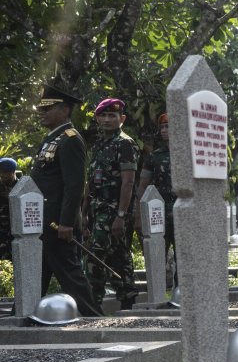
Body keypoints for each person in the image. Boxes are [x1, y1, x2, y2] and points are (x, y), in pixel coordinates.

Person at [29, 86, 104, 316]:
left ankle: (95, 319)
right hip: (44, 221)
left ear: (64, 109)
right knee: (35, 275)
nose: (42, 113)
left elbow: (74, 185)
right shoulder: (53, 138)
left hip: (58, 224)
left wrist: (67, 222)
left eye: (48, 108)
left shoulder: (70, 139)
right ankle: (22, 315)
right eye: (41, 108)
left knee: (71, 276)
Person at [85, 98, 138, 310]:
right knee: (118, 256)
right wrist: (83, 213)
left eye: (112, 116)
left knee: (95, 257)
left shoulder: (125, 143)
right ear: (97, 118)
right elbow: (90, 181)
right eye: (103, 116)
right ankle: (127, 300)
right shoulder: (99, 144)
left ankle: (92, 305)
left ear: (122, 119)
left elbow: (129, 182)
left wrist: (121, 215)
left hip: (115, 212)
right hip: (97, 210)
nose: (107, 119)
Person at [135, 113, 177, 289]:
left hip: (181, 215)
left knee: (184, 259)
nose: (165, 131)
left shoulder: (189, 153)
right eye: (162, 127)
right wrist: (139, 214)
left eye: (168, 126)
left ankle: (182, 297)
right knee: (157, 257)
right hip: (159, 215)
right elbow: (143, 186)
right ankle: (157, 295)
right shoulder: (155, 157)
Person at [0, 157, 17, 260]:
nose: (2, 175)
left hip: (15, 231)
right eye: (0, 172)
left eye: (5, 172)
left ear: (13, 172)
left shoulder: (21, 187)